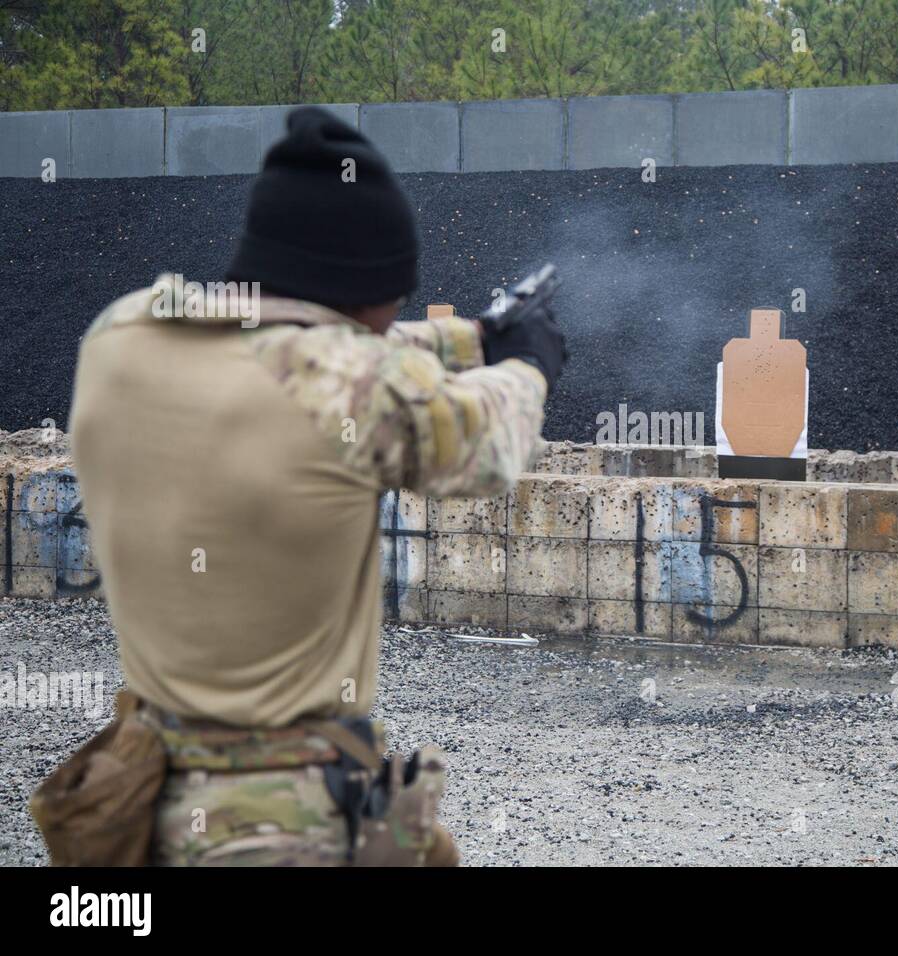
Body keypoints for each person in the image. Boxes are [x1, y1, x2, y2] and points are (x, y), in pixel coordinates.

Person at [64, 106, 566, 865]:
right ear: (363, 299)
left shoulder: (120, 338)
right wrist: (528, 362)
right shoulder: (358, 393)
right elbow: (489, 444)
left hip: (133, 806)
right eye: (392, 301)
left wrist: (471, 336)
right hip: (280, 826)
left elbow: (292, 337)